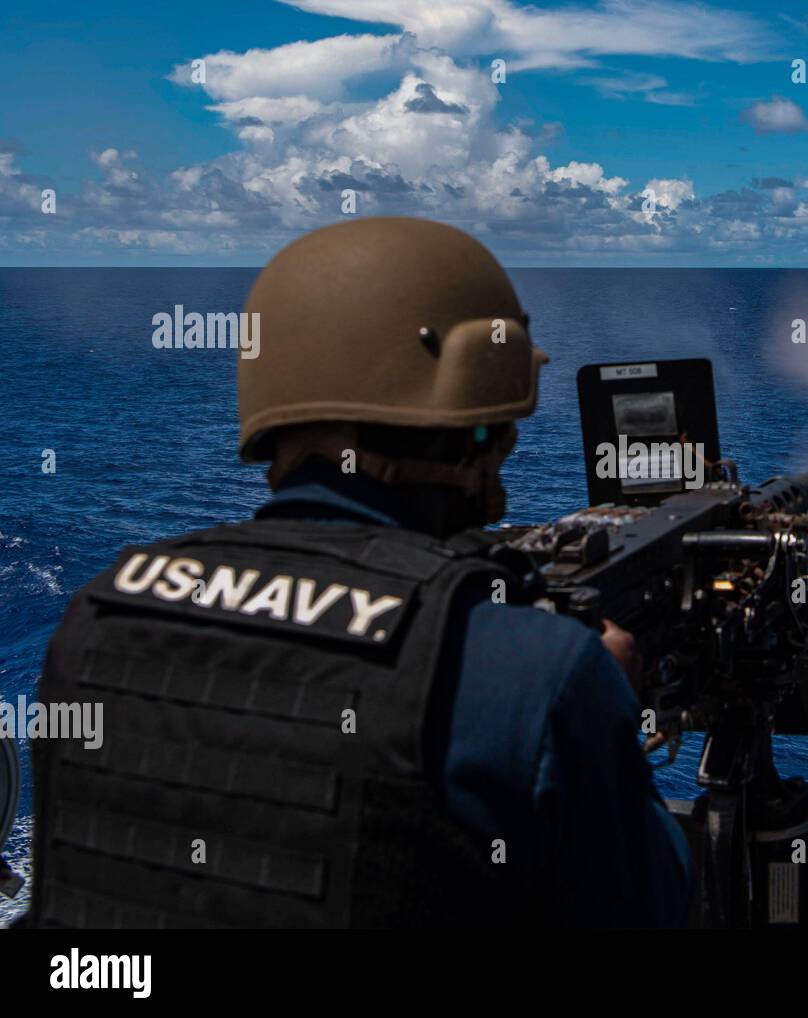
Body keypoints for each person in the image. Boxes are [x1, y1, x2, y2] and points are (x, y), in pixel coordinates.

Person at [26, 217, 694, 928]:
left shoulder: (99, 616)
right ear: (475, 427)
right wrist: (607, 714)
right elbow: (650, 904)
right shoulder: (533, 672)